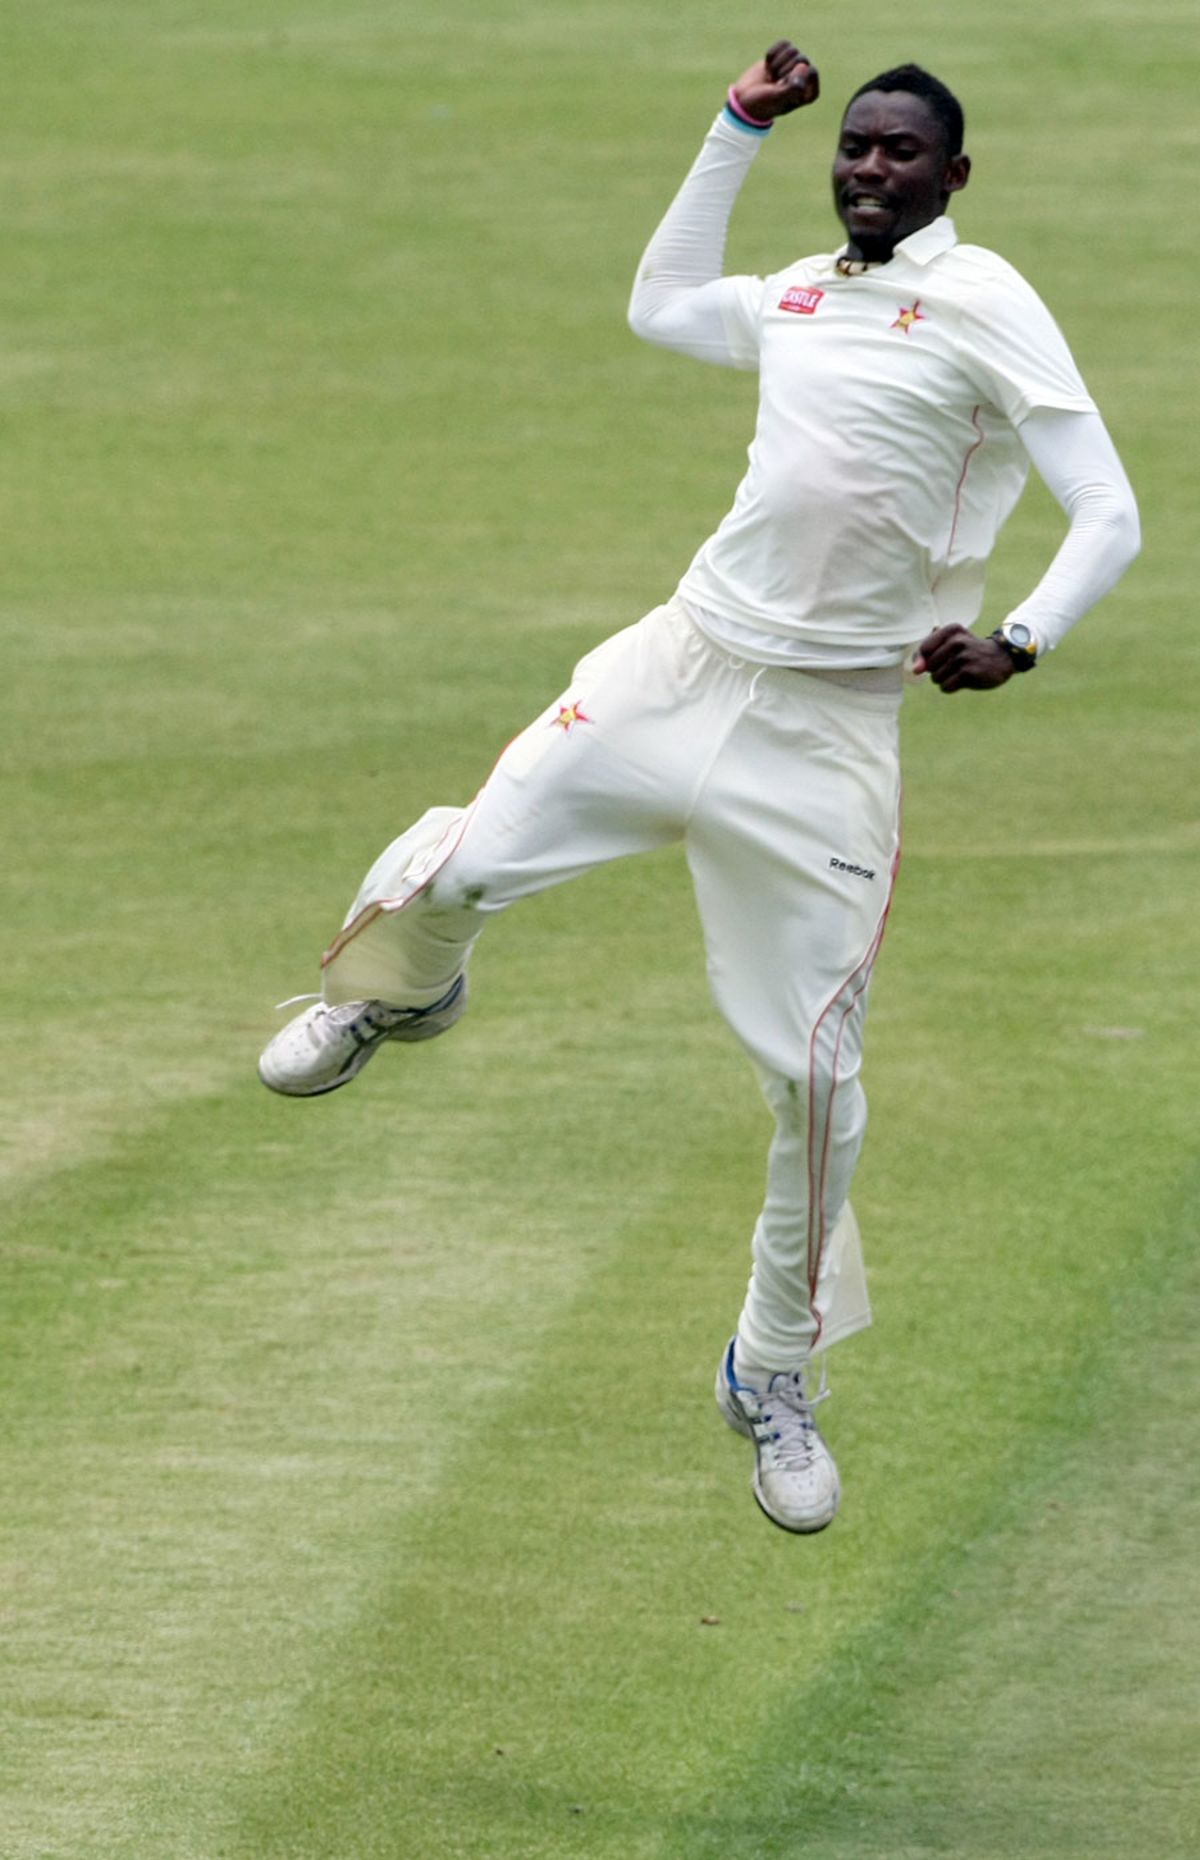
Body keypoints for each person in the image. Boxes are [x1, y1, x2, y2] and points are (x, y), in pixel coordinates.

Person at [258, 44, 1140, 1535]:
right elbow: (662, 304)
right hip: (682, 663)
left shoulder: (985, 300)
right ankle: (398, 995)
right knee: (462, 868)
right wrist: (735, 126)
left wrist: (1024, 640)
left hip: (829, 734)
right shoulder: (796, 293)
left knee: (814, 1083)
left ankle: (771, 1373)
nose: (869, 168)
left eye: (901, 153)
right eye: (855, 147)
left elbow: (1106, 506)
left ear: (954, 177)